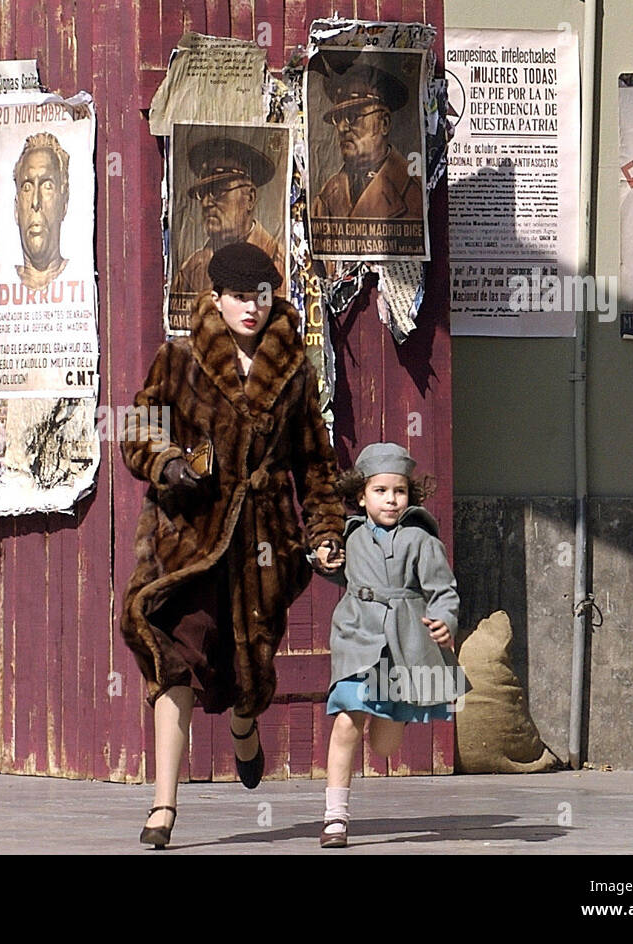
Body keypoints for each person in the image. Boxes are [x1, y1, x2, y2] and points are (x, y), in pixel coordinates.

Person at [120, 242, 344, 849]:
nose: (252, 307)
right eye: (241, 296)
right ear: (216, 299)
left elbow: (316, 465)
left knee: (250, 669)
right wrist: (167, 464)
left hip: (261, 548)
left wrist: (325, 532)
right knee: (174, 659)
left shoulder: (294, 371)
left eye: (263, 296)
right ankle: (164, 805)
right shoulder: (179, 358)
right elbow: (138, 425)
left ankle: (246, 727)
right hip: (188, 538)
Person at [312, 442, 464, 848]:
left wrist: (445, 620)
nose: (391, 499)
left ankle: (392, 716)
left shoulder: (421, 539)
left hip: (403, 643)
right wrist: (323, 561)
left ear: (409, 496)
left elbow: (443, 590)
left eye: (399, 491)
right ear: (361, 495)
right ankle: (335, 818)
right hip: (356, 636)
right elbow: (335, 573)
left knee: (384, 744)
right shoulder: (350, 535)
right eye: (380, 491)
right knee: (347, 719)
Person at [170, 137, 287, 300]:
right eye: (202, 193)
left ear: (250, 198)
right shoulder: (191, 269)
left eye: (218, 191)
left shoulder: (279, 261)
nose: (206, 203)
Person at [311, 64, 424, 222]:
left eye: (352, 117)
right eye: (338, 118)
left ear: (384, 123)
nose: (342, 127)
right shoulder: (327, 194)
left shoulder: (413, 190)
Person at [12, 132, 70, 289]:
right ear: (16, 208)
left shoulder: (77, 274)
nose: (35, 202)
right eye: (27, 187)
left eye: (47, 186)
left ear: (64, 204)